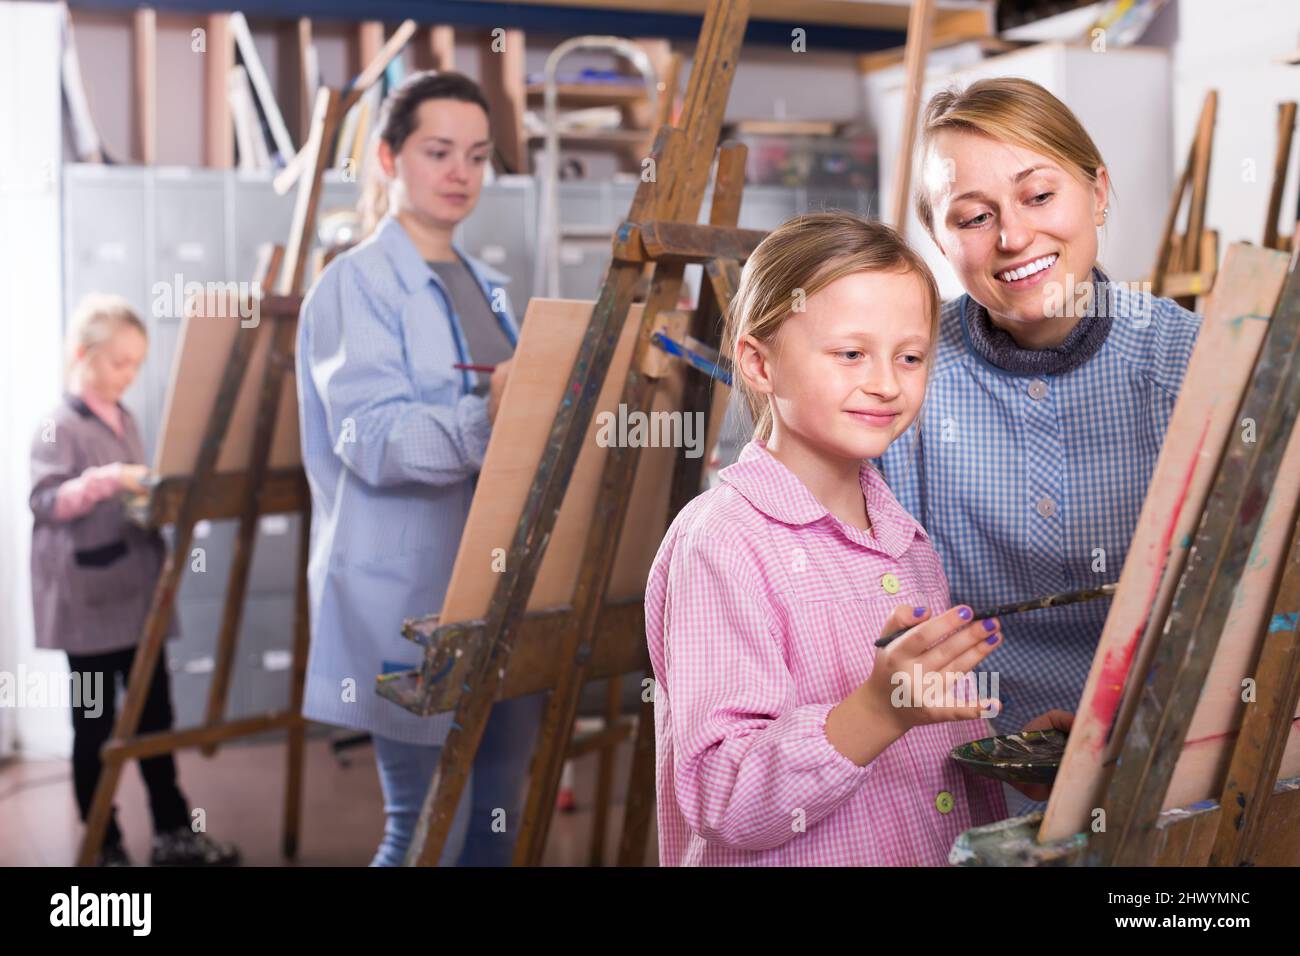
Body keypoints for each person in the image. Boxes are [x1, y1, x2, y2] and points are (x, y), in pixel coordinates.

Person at [646, 212, 1068, 866]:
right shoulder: (723, 543)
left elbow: (910, 743)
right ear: (759, 363)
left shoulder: (904, 538)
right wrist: (879, 709)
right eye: (851, 354)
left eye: (910, 356)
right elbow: (720, 793)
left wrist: (1006, 753)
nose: (886, 383)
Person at [878, 79, 1201, 813]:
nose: (1014, 237)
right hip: (964, 767)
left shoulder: (1194, 361)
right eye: (974, 217)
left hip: (1171, 761)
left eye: (1038, 196)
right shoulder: (902, 376)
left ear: (1098, 191)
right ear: (940, 241)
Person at [296, 71, 543, 867]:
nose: (459, 173)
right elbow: (372, 436)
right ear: (386, 158)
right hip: (406, 595)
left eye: (476, 155)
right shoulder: (354, 285)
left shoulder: (487, 287)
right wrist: (488, 418)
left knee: (495, 817)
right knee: (426, 825)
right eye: (438, 152)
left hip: (497, 591)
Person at [30, 293, 240, 867]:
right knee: (93, 725)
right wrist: (108, 479)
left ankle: (174, 830)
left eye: (136, 365)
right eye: (119, 362)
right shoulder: (58, 426)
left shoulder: (126, 419)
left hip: (135, 596)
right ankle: (104, 840)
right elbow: (46, 501)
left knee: (154, 717)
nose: (129, 375)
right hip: (87, 605)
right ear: (83, 355)